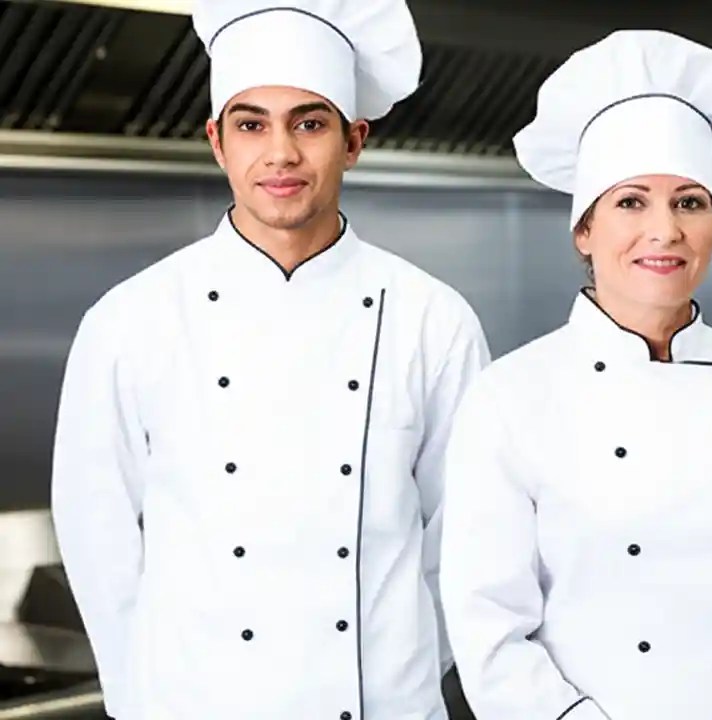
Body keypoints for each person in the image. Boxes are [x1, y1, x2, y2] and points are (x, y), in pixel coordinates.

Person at [49, 1, 490, 717]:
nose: (280, 153)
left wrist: (396, 675)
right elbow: (101, 548)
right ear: (217, 142)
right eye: (252, 124)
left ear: (354, 140)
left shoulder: (434, 323)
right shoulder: (131, 323)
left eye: (309, 124)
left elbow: (464, 543)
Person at [438, 29, 712, 720]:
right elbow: (489, 627)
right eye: (630, 201)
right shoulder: (510, 398)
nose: (664, 229)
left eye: (689, 202)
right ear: (583, 230)